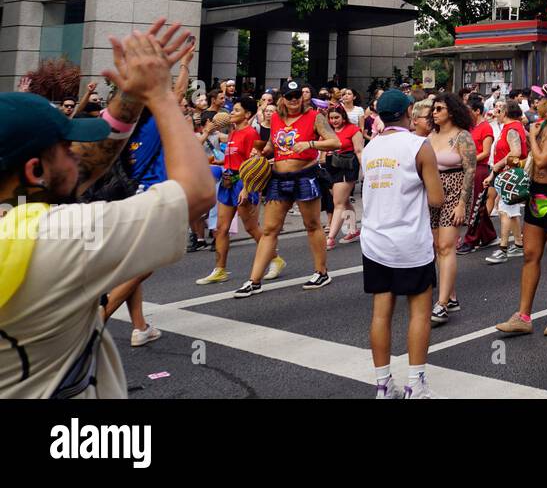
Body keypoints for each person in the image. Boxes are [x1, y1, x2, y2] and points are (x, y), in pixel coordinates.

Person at [0, 20, 210, 397]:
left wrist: (131, 97)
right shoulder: (59, 238)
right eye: (66, 148)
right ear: (35, 171)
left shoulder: (17, 220)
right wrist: (159, 95)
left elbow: (82, 164)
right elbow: (195, 193)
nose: (77, 156)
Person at [360, 89, 443, 399]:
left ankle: (383, 386)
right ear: (409, 111)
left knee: (381, 313)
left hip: (375, 240)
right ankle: (416, 384)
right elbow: (436, 198)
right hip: (411, 240)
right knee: (419, 312)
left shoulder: (370, 148)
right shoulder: (419, 146)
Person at [234, 80, 341, 297]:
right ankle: (254, 280)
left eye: (297, 96)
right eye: (289, 96)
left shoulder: (314, 117)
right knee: (270, 229)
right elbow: (274, 145)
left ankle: (321, 272)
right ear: (282, 98)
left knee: (312, 225)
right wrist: (262, 153)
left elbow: (335, 142)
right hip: (279, 177)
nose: (293, 100)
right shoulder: (275, 118)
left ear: (302, 97)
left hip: (305, 175)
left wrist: (311, 144)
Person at [495, 83, 547, 337]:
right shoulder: (542, 126)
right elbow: (534, 162)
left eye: (540, 99)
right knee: (530, 254)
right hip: (536, 196)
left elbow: (543, 159)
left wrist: (530, 135)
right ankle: (523, 316)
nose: (534, 103)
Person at [196, 97, 269, 285]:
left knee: (252, 228)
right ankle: (219, 269)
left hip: (241, 183)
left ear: (247, 114)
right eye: (232, 110)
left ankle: (274, 258)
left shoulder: (250, 134)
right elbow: (232, 158)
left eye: (236, 110)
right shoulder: (233, 132)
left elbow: (252, 164)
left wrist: (246, 188)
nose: (231, 113)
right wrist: (215, 162)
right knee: (221, 229)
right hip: (227, 182)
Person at [425, 92, 476, 326]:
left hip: (455, 191)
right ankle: (451, 296)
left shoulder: (462, 137)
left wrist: (462, 204)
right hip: (432, 192)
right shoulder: (430, 136)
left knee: (446, 246)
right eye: (433, 109)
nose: (434, 113)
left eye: (439, 109)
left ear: (452, 112)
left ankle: (442, 304)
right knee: (437, 247)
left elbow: (470, 171)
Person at [484, 100, 527, 264]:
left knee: (504, 211)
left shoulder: (512, 129)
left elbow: (515, 152)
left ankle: (503, 248)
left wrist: (497, 167)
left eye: (500, 110)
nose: (497, 113)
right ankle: (518, 244)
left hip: (510, 175)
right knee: (512, 211)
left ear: (506, 112)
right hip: (510, 174)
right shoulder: (513, 127)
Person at [458, 94, 501, 254]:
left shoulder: (486, 128)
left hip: (480, 170)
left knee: (476, 207)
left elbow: (486, 152)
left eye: (469, 110)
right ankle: (489, 236)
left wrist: (469, 160)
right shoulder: (469, 127)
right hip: (469, 169)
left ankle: (471, 240)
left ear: (477, 111)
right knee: (478, 206)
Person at [323, 105, 365, 249]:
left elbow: (359, 151)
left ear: (343, 117)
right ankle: (353, 231)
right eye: (331, 118)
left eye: (337, 117)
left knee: (338, 203)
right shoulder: (327, 130)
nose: (334, 120)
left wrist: (365, 170)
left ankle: (331, 238)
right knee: (344, 201)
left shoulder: (353, 130)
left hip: (347, 167)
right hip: (330, 167)